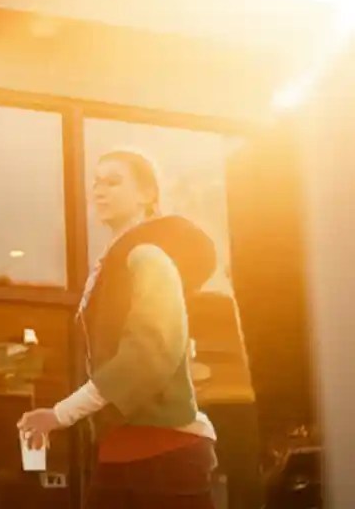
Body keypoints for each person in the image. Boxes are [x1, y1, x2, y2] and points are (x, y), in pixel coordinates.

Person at [18, 150, 220, 508]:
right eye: (96, 182)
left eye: (113, 182)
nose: (99, 190)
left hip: (166, 457)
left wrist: (59, 415)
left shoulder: (147, 256)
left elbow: (147, 356)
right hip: (124, 452)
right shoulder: (113, 263)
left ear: (146, 195)